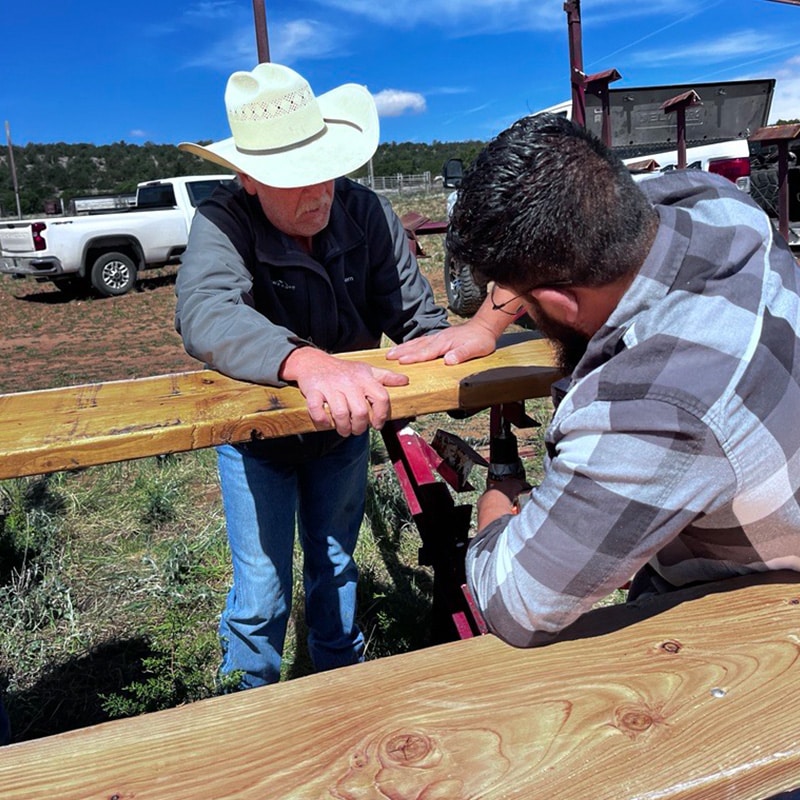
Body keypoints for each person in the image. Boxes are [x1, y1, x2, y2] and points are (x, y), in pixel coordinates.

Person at [386, 112, 800, 647]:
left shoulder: (652, 402)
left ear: (561, 300)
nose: (519, 311)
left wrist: (496, 513)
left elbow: (517, 604)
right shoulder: (714, 201)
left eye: (522, 302)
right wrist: (487, 324)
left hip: (753, 601)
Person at [174, 63, 448, 689]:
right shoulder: (222, 220)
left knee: (336, 566)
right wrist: (304, 359)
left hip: (341, 431)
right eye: (293, 179)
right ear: (247, 178)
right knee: (262, 590)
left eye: (325, 169)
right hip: (257, 439)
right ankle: (250, 707)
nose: (317, 193)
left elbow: (415, 317)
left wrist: (455, 340)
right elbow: (205, 310)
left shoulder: (369, 213)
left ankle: (340, 693)